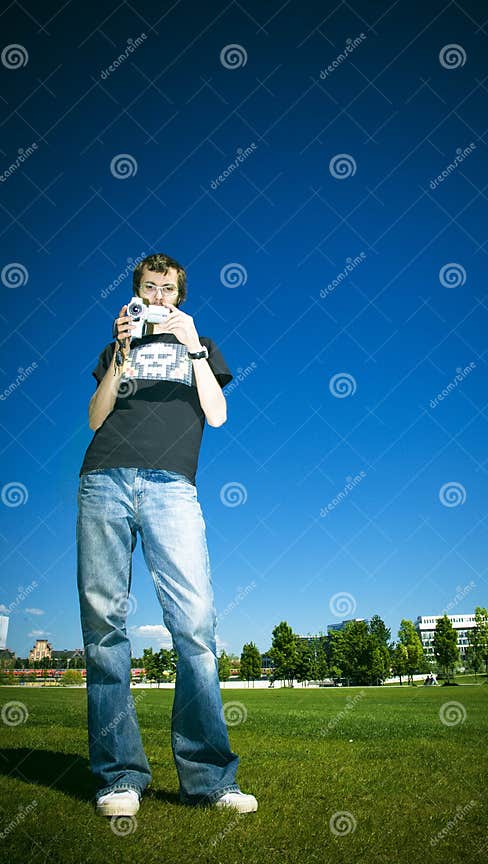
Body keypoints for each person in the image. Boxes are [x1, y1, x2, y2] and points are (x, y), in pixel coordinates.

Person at [76, 252, 257, 818]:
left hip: (171, 487)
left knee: (195, 627)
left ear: (180, 296)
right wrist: (120, 358)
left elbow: (219, 414)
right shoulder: (119, 346)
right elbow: (94, 417)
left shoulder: (199, 345)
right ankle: (119, 778)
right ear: (137, 291)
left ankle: (208, 780)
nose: (157, 297)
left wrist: (195, 346)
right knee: (104, 627)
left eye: (167, 290)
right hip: (104, 480)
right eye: (149, 288)